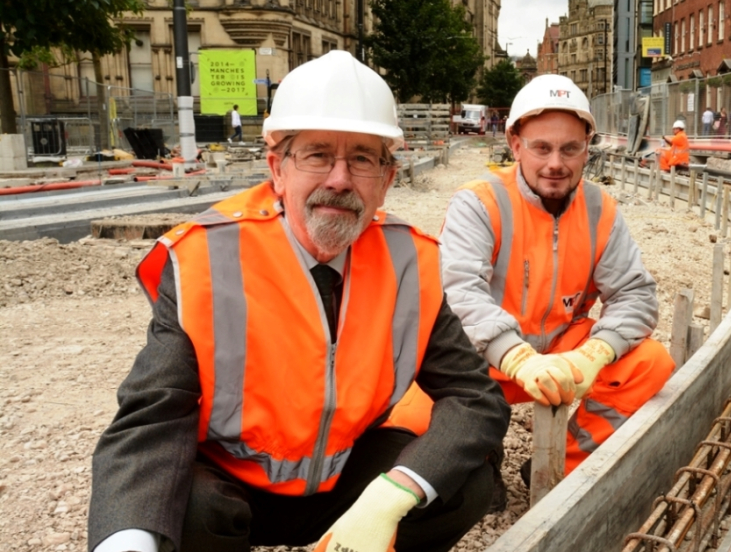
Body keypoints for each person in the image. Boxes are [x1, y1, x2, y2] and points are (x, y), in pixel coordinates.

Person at [87, 50, 510, 552]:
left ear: (387, 180)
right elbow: (154, 414)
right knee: (186, 510)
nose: (338, 179)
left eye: (361, 158)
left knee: (462, 485)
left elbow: (476, 399)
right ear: (277, 170)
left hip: (344, 482)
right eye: (316, 155)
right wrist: (126, 540)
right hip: (231, 488)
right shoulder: (207, 257)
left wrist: (399, 491)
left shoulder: (408, 264)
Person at [437, 73, 674, 478]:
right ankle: (478, 460)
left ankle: (562, 466)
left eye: (570, 149)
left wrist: (592, 354)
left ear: (587, 150)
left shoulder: (601, 209)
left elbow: (635, 294)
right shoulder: (479, 203)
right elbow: (459, 294)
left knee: (650, 362)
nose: (555, 164)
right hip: (482, 360)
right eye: (541, 148)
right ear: (515, 145)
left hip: (563, 351)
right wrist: (515, 356)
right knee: (410, 402)